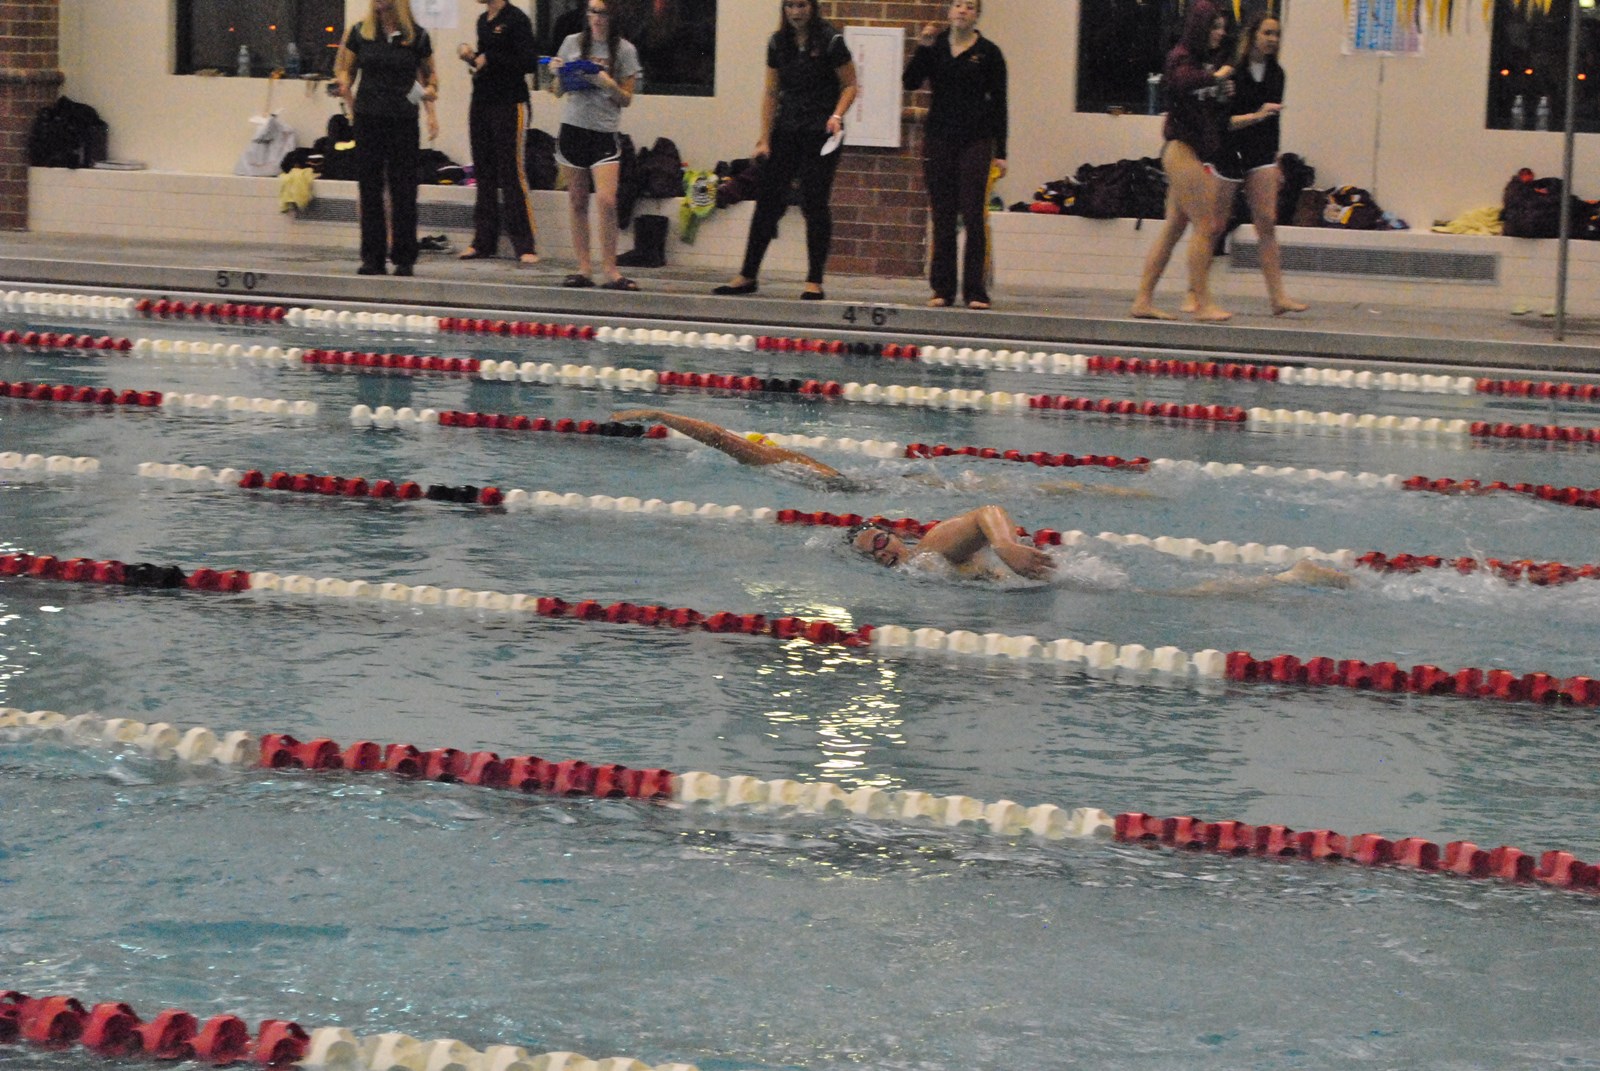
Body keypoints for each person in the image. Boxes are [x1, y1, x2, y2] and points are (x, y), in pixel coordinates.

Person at [608, 407, 1157, 498]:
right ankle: (1096, 485)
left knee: (1005, 488)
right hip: (861, 483)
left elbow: (717, 438)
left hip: (860, 488)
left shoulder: (772, 463)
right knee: (994, 487)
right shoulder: (787, 460)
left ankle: (1095, 486)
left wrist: (658, 415)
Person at [713, 0, 858, 301]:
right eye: (790, 5)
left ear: (813, 7)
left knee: (814, 201)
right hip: (786, 130)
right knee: (768, 200)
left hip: (821, 131)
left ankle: (814, 280)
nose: (796, 12)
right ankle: (748, 274)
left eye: (802, 5)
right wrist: (764, 137)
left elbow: (850, 85)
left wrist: (837, 115)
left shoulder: (832, 41)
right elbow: (770, 91)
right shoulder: (778, 43)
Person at [1129, 0, 1238, 322]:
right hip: (1180, 150)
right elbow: (1179, 80)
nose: (1220, 33)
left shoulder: (1203, 63)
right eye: (1214, 27)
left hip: (1190, 150)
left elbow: (1205, 100)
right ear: (1200, 28)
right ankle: (1202, 302)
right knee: (1207, 225)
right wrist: (1215, 80)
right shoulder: (1182, 57)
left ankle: (1143, 300)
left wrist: (1220, 91)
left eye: (1222, 28)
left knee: (1174, 229)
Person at [903, 0, 1008, 310]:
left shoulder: (989, 53)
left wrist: (1001, 151)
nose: (963, 10)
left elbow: (1000, 103)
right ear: (949, 11)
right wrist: (922, 47)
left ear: (976, 15)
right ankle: (943, 289)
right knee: (943, 214)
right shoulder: (934, 48)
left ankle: (975, 290)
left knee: (974, 213)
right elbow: (910, 82)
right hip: (939, 138)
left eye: (970, 7)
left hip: (977, 139)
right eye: (958, 5)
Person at [335, 0, 440, 277]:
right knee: (369, 189)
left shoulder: (417, 36)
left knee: (404, 189)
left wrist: (428, 101)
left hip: (403, 120)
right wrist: (346, 92)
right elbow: (345, 69)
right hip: (368, 118)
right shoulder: (360, 33)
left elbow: (431, 77)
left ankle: (404, 256)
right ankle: (373, 257)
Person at [548, 0, 642, 290]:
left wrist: (605, 82)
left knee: (606, 200)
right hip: (573, 129)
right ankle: (584, 268)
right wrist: (559, 75)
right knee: (577, 200)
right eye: (592, 12)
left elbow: (626, 98)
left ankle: (611, 270)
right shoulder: (571, 43)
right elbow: (555, 91)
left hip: (603, 133)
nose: (597, 18)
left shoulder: (624, 50)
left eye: (603, 13)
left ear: (613, 16)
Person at [1223, 12, 1307, 315]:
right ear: (1253, 35)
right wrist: (1256, 116)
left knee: (1267, 224)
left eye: (1277, 35)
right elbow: (1224, 122)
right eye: (1267, 33)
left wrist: (1275, 162)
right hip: (1229, 151)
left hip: (1260, 153)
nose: (1272, 40)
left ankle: (1277, 297)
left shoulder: (1277, 74)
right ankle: (1195, 293)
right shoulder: (1232, 72)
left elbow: (1274, 124)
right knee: (1213, 225)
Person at [457, 0, 541, 265]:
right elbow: (484, 63)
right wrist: (472, 58)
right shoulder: (483, 21)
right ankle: (483, 240)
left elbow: (528, 62)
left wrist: (490, 58)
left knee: (512, 171)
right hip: (482, 100)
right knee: (484, 172)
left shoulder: (517, 19)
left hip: (510, 102)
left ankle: (525, 243)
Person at [849, 506, 1057, 580]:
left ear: (896, 536)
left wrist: (1006, 546)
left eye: (880, 541)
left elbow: (986, 513)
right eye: (871, 555)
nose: (881, 553)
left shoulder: (931, 548)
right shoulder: (918, 571)